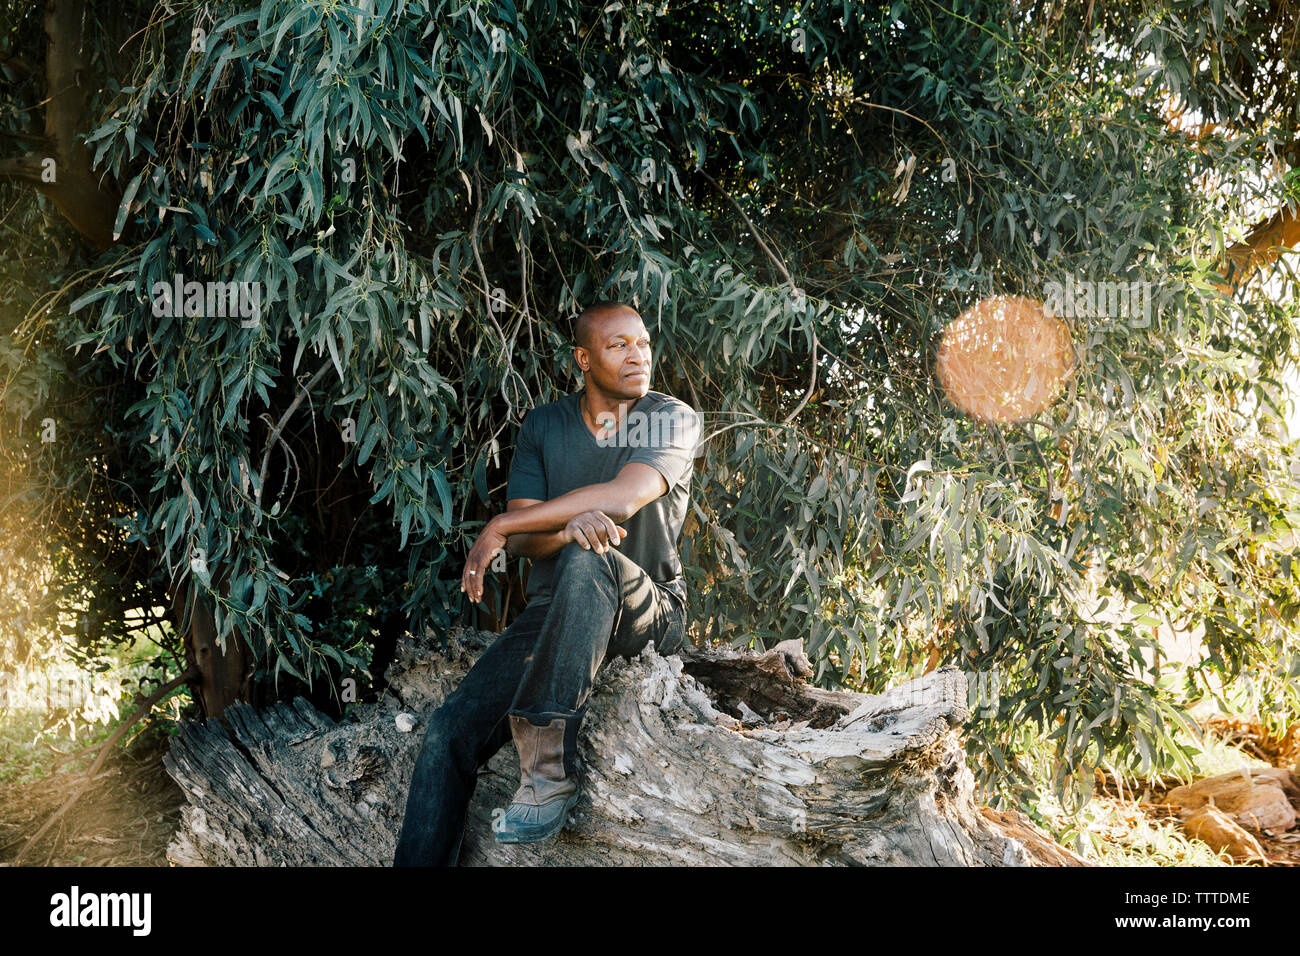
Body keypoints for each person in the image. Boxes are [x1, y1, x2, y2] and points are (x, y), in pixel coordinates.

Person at [392, 300, 701, 866]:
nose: (639, 356)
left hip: (648, 607)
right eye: (619, 346)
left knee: (594, 560)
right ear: (583, 358)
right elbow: (533, 545)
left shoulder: (670, 418)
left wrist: (504, 523)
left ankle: (547, 774)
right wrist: (564, 529)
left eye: (644, 344)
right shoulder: (544, 426)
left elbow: (624, 498)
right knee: (447, 731)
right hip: (553, 613)